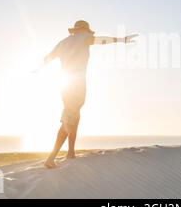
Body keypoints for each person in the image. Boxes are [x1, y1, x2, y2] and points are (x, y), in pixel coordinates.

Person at [41, 20, 137, 168]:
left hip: (65, 85)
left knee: (75, 115)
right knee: (70, 119)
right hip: (77, 86)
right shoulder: (84, 38)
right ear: (84, 30)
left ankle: (71, 152)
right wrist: (121, 40)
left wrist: (36, 70)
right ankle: (51, 158)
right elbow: (102, 41)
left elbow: (47, 58)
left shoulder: (63, 42)